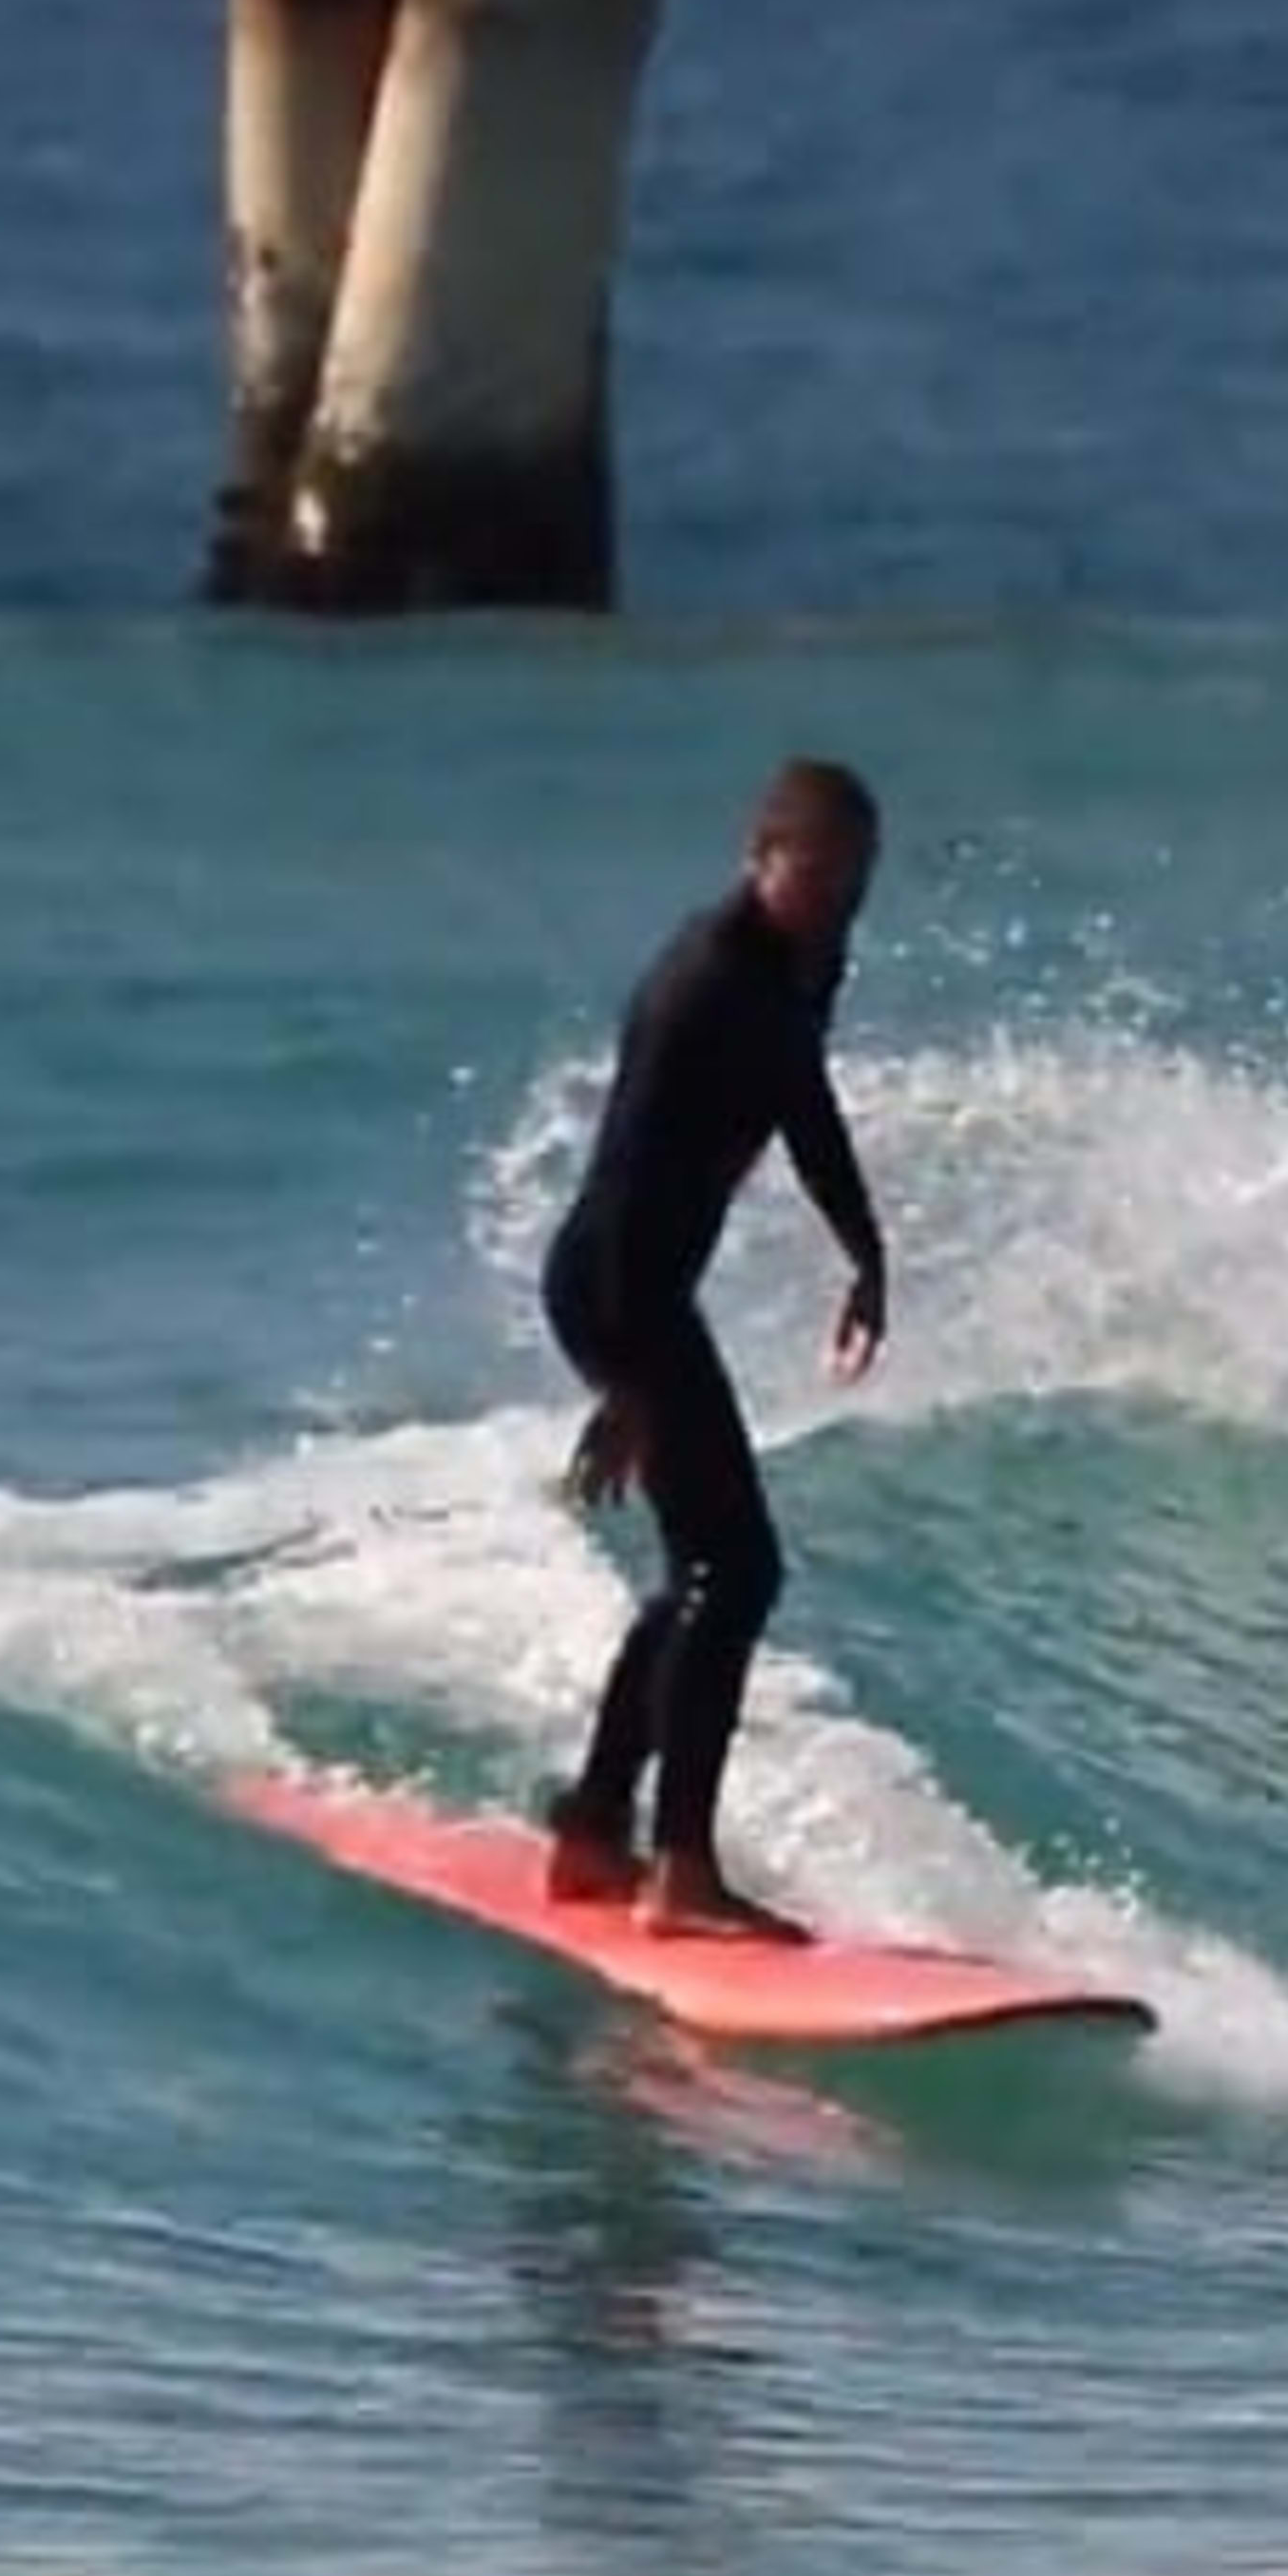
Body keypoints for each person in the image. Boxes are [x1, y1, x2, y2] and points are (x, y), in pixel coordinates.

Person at [539, 758, 891, 1937]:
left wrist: (866, 1253)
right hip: (616, 1277)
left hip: (644, 1289)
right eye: (818, 873)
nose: (837, 896)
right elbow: (634, 1187)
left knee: (702, 1571)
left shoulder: (805, 964)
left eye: (855, 877)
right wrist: (632, 1377)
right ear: (760, 855)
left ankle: (594, 1832)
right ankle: (679, 1870)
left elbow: (801, 1105)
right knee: (737, 1572)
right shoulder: (706, 983)